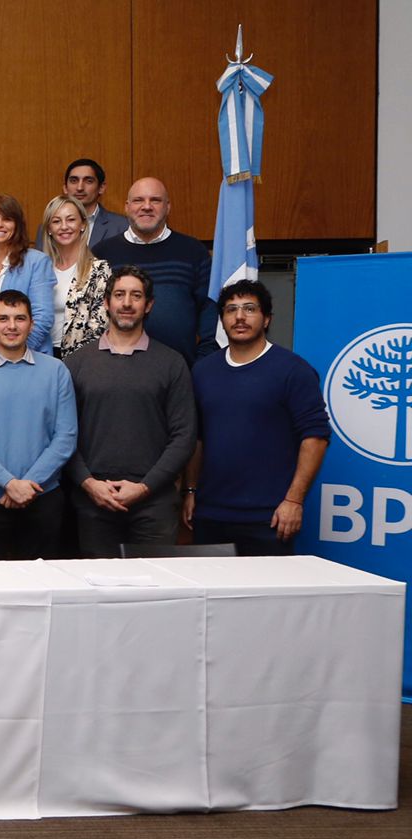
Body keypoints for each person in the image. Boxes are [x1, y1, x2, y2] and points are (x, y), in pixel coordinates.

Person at [184, 280, 330, 555]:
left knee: (268, 597)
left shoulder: (293, 370)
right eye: (231, 310)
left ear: (266, 319)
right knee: (212, 596)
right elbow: (197, 438)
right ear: (222, 320)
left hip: (272, 516)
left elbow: (316, 438)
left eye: (249, 309)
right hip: (210, 514)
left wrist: (294, 501)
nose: (239, 317)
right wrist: (190, 492)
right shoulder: (203, 371)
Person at [64, 267, 197, 557]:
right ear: (106, 303)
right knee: (97, 596)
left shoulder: (172, 363)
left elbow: (184, 436)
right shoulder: (76, 364)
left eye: (136, 296)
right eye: (119, 295)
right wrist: (89, 484)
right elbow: (63, 435)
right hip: (93, 501)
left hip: (154, 503)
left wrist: (145, 487)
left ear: (148, 305)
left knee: (154, 596)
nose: (126, 303)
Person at [0, 290, 78, 561]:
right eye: (3, 318)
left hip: (42, 496)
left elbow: (65, 437)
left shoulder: (56, 370)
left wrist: (27, 484)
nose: (11, 326)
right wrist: (8, 483)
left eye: (20, 318)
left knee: (43, 588)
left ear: (32, 324)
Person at [92, 177, 216, 363]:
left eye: (155, 200)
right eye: (138, 200)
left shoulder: (193, 251)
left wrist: (203, 362)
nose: (147, 206)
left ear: (168, 207)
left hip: (181, 372)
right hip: (115, 371)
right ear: (127, 207)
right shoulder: (102, 253)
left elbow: (209, 311)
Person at [0, 194, 58, 359]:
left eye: (7, 219)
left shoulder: (36, 262)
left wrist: (15, 355)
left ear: (17, 225)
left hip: (21, 356)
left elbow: (42, 318)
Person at [42, 195, 113, 358]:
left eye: (71, 220)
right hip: (39, 356)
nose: (64, 226)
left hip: (81, 358)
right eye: (56, 221)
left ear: (82, 224)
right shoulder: (39, 269)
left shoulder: (99, 270)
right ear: (48, 229)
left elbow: (100, 327)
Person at [54, 158, 128, 246]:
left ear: (101, 188)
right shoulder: (49, 227)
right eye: (74, 181)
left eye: (88, 181)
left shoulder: (122, 225)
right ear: (65, 188)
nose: (80, 188)